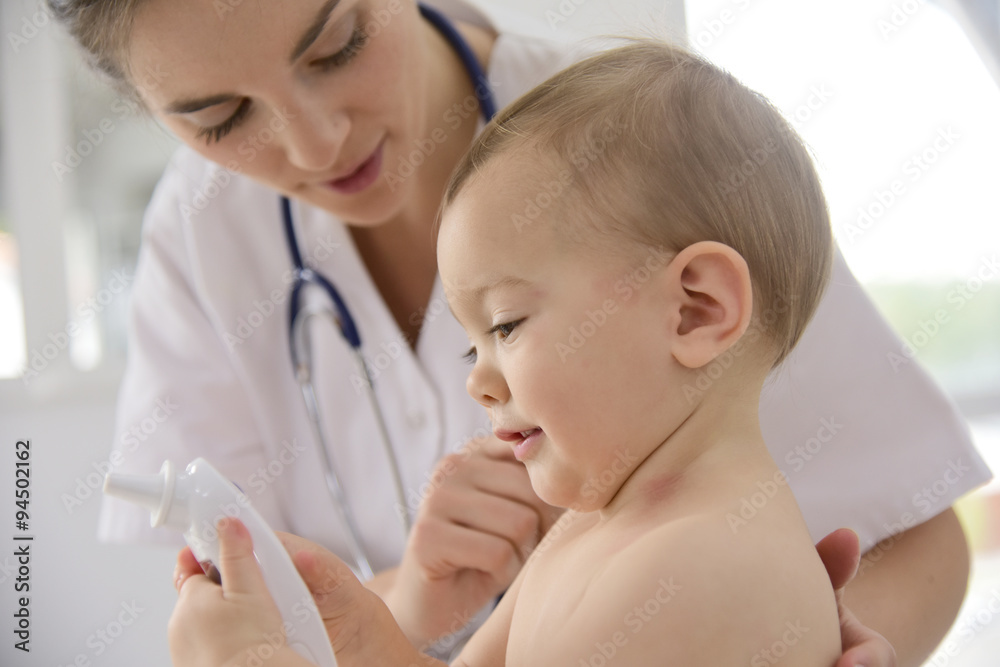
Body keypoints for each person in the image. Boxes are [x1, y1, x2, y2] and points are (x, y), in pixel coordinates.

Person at [48, 0, 989, 664]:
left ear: (697, 307)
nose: (314, 141)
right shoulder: (198, 233)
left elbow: (918, 528)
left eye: (336, 45)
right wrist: (386, 617)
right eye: (219, 117)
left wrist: (802, 641)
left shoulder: (647, 147)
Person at [170, 40, 868, 666]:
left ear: (696, 309)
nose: (478, 381)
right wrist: (364, 636)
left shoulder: (685, 570)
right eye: (470, 346)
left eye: (505, 326)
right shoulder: (591, 530)